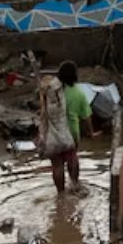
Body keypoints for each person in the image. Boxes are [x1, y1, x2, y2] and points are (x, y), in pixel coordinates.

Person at [48, 61, 93, 193]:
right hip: (72, 132)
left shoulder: (53, 92)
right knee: (72, 158)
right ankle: (74, 184)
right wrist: (90, 132)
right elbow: (86, 117)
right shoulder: (79, 93)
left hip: (55, 133)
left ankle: (60, 194)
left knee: (57, 164)